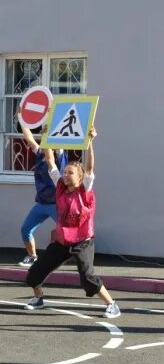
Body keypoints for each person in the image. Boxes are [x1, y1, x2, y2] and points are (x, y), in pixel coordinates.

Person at [25, 128, 120, 318]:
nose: (66, 175)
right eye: (65, 172)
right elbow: (50, 161)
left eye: (70, 173)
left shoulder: (85, 190)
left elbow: (90, 168)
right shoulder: (60, 187)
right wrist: (47, 137)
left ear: (79, 176)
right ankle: (38, 298)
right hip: (62, 240)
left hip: (83, 240)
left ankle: (112, 305)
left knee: (87, 276)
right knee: (35, 271)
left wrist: (90, 141)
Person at [18, 122, 68, 267]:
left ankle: (76, 257)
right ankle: (32, 256)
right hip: (41, 203)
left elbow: (55, 147)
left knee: (67, 232)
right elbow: (29, 139)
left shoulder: (59, 155)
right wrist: (23, 119)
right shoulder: (40, 154)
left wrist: (48, 132)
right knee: (25, 229)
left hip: (56, 204)